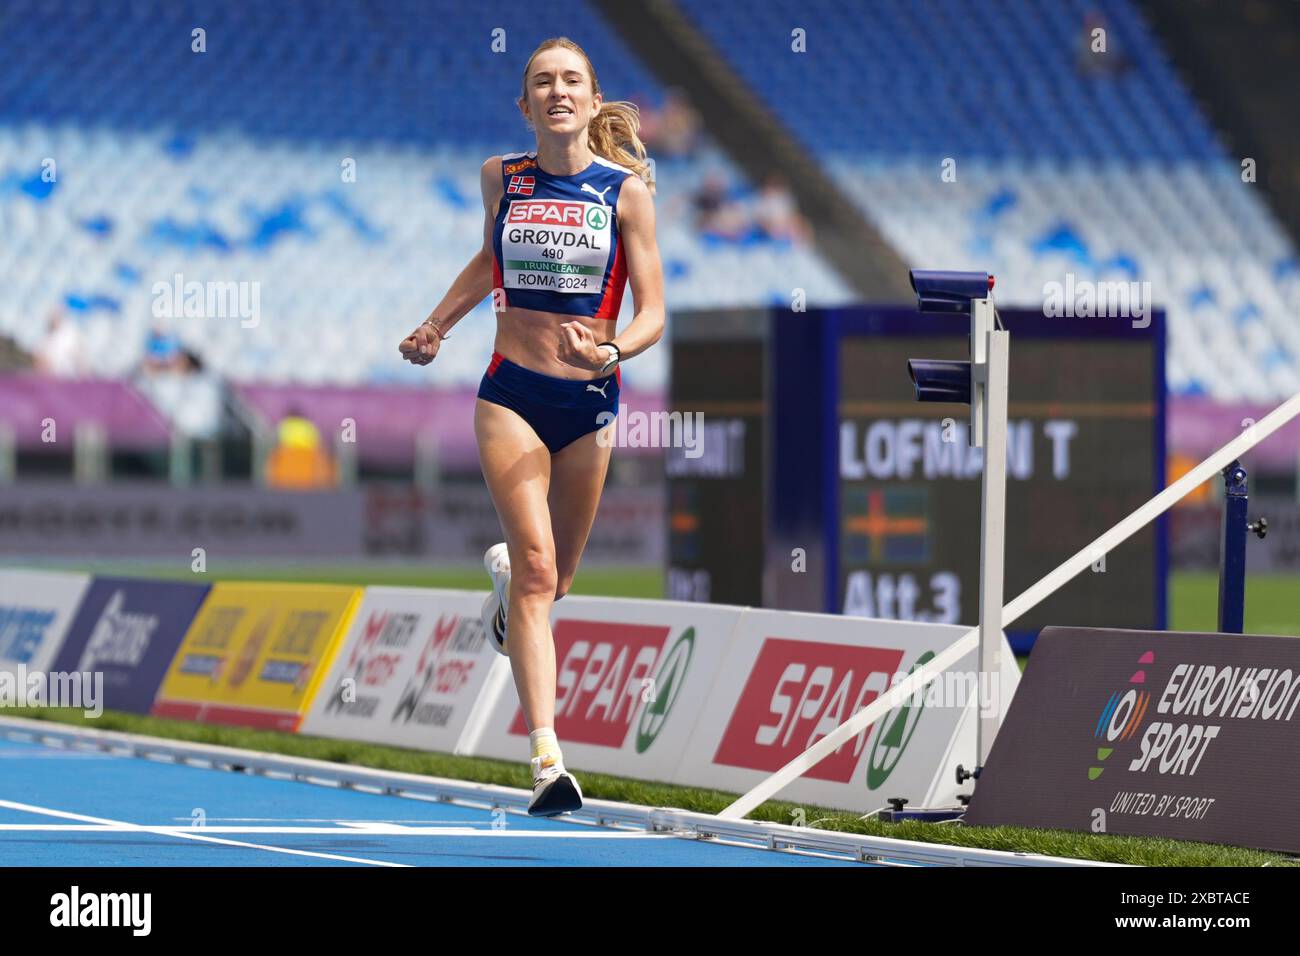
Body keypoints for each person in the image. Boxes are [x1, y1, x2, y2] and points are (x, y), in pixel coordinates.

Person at [398, 37, 664, 816]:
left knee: (554, 583)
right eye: (542, 81)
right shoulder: (501, 177)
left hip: (589, 404)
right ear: (525, 105)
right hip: (510, 394)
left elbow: (654, 311)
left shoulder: (627, 195)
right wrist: (437, 325)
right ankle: (548, 763)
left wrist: (611, 349)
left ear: (590, 98)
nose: (557, 91)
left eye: (570, 80)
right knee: (541, 574)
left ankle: (508, 592)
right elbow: (490, 261)